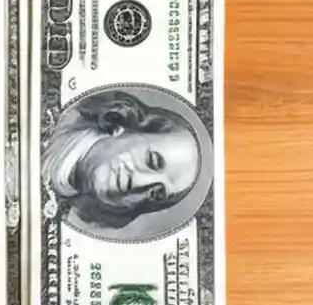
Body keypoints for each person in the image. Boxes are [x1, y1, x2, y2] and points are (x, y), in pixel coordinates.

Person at [42, 90, 201, 231]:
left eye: (156, 193)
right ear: (122, 126)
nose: (140, 183)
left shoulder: (52, 223)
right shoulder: (44, 116)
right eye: (152, 160)